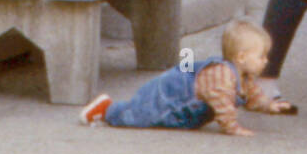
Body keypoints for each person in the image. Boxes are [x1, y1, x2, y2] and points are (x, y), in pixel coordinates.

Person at [78, 21, 295, 136]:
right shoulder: (223, 76)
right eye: (261, 56)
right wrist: (232, 127)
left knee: (146, 113)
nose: (266, 61)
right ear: (241, 57)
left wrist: (268, 106)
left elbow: (252, 96)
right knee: (142, 115)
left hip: (181, 103)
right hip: (173, 97)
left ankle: (113, 109)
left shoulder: (243, 76)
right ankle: (106, 110)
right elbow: (222, 103)